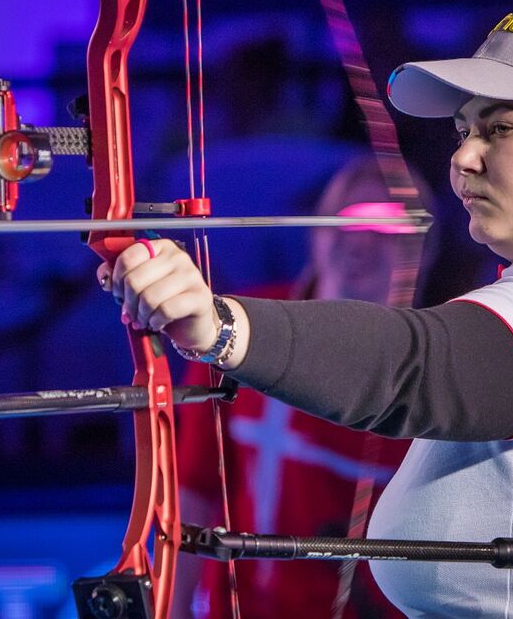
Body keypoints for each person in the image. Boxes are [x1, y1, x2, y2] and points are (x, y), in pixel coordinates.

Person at [99, 0, 513, 618]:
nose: (464, 158)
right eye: (463, 130)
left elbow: (414, 366)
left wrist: (217, 326)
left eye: (501, 128)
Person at [173, 154, 417, 619]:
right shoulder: (233, 326)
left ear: (423, 250)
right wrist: (173, 608)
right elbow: (192, 490)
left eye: (387, 227)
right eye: (345, 221)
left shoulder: (433, 371)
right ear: (318, 235)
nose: (362, 241)